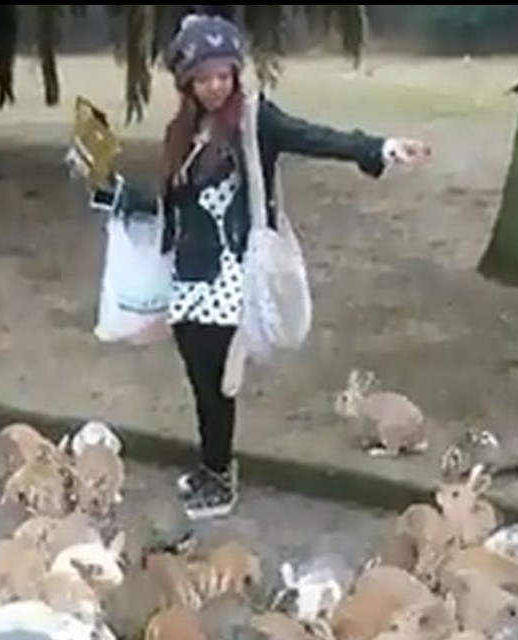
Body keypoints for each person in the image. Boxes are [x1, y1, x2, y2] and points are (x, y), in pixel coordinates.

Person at [88, 14, 431, 520]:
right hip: (188, 279)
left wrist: (378, 148)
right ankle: (210, 467)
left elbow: (313, 136)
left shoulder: (253, 119)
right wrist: (109, 190)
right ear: (186, 81)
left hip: (232, 277)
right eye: (203, 78)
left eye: (223, 74)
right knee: (201, 382)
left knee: (219, 385)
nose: (215, 86)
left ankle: (221, 479)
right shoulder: (182, 132)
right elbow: (173, 206)